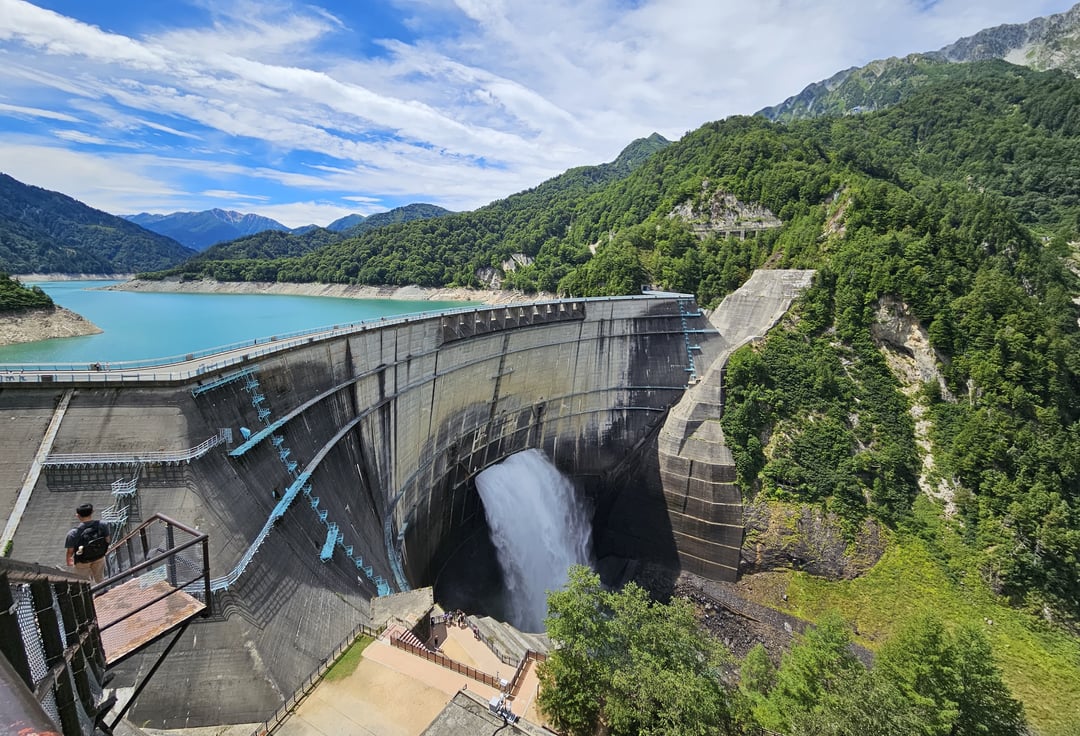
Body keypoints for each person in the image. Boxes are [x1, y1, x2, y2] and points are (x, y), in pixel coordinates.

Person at [64, 503, 111, 584]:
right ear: (92, 512)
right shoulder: (102, 525)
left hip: (82, 560)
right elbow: (107, 540)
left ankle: (89, 595)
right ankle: (103, 592)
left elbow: (70, 552)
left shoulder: (73, 533)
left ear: (77, 516)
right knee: (100, 578)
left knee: (83, 582)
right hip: (99, 556)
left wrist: (69, 561)